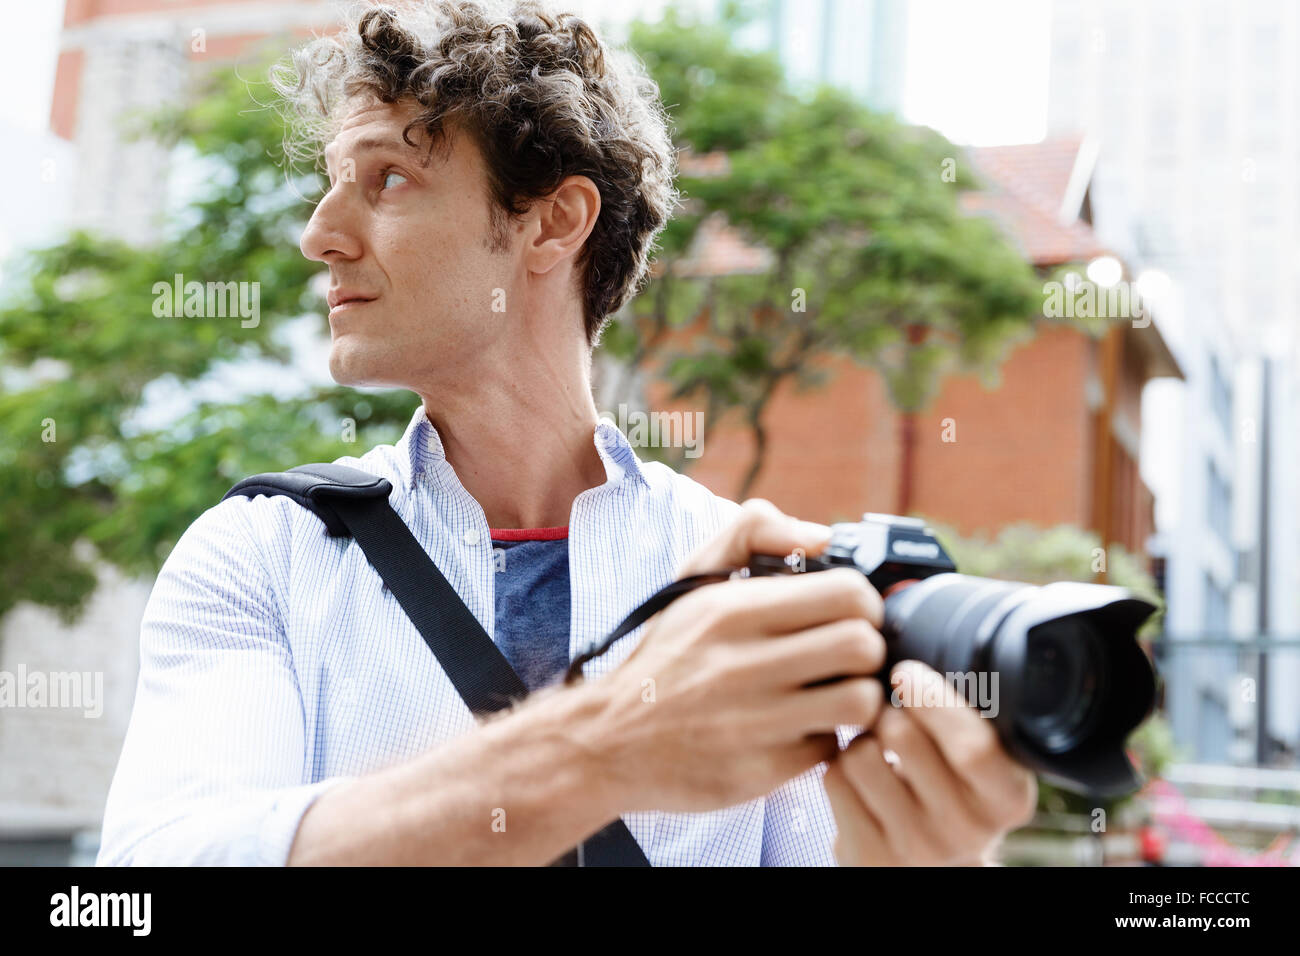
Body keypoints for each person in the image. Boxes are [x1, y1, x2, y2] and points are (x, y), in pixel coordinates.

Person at [97, 0, 1035, 866]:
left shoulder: (748, 587)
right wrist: (605, 746)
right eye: (333, 183)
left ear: (554, 222)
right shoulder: (261, 555)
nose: (320, 233)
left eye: (386, 178)